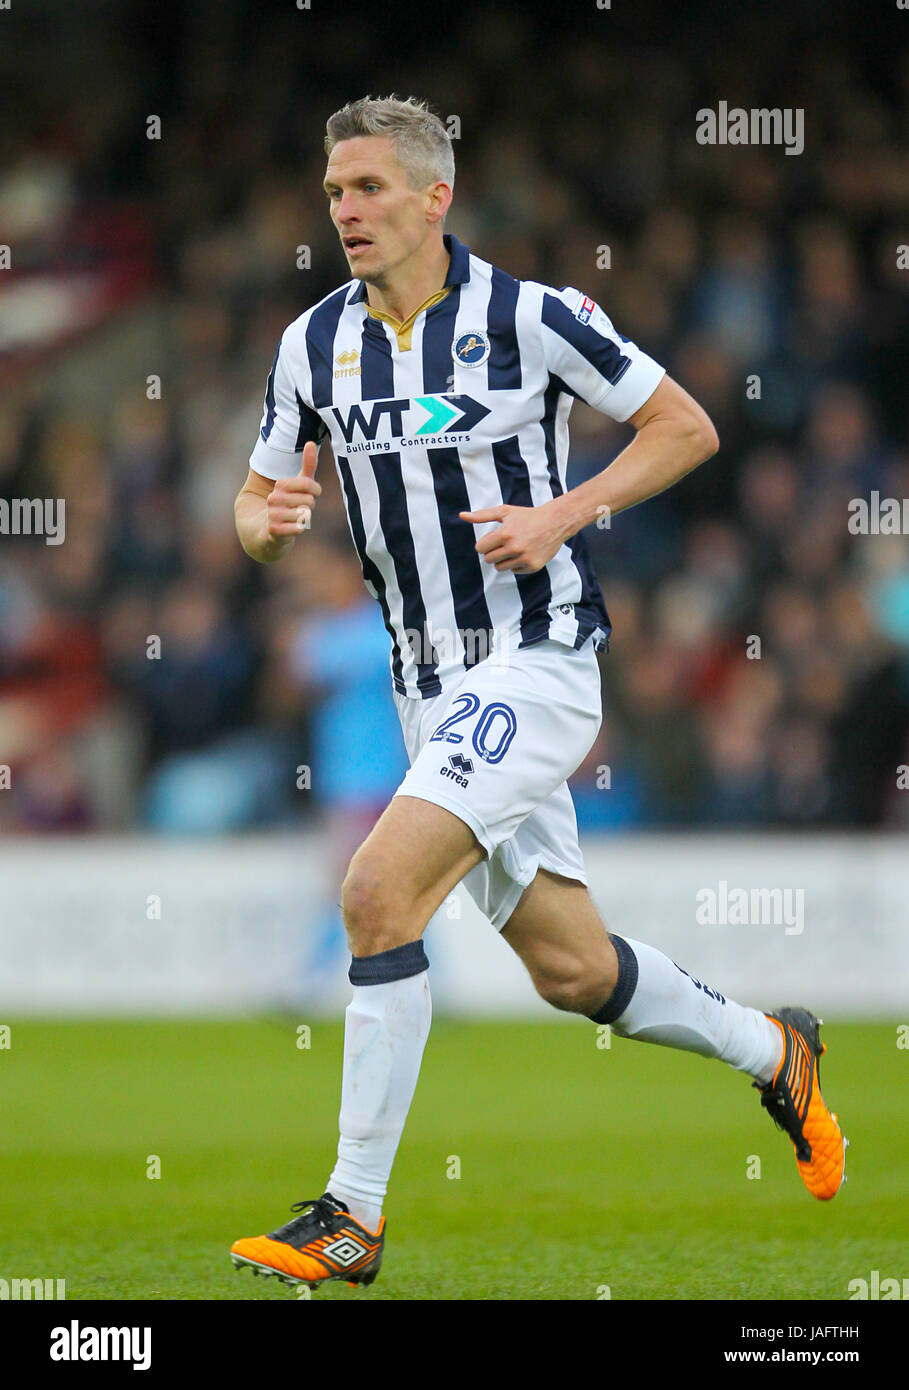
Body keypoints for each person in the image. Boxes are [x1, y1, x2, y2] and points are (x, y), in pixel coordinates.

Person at [230, 95, 846, 1292]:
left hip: (537, 661)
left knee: (375, 892)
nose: (345, 210)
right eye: (334, 191)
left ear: (433, 197)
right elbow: (255, 508)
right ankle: (778, 1051)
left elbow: (686, 426)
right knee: (572, 973)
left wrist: (567, 511)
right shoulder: (311, 344)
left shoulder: (533, 316)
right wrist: (271, 524)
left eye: (366, 189)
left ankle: (351, 1214)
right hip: (427, 690)